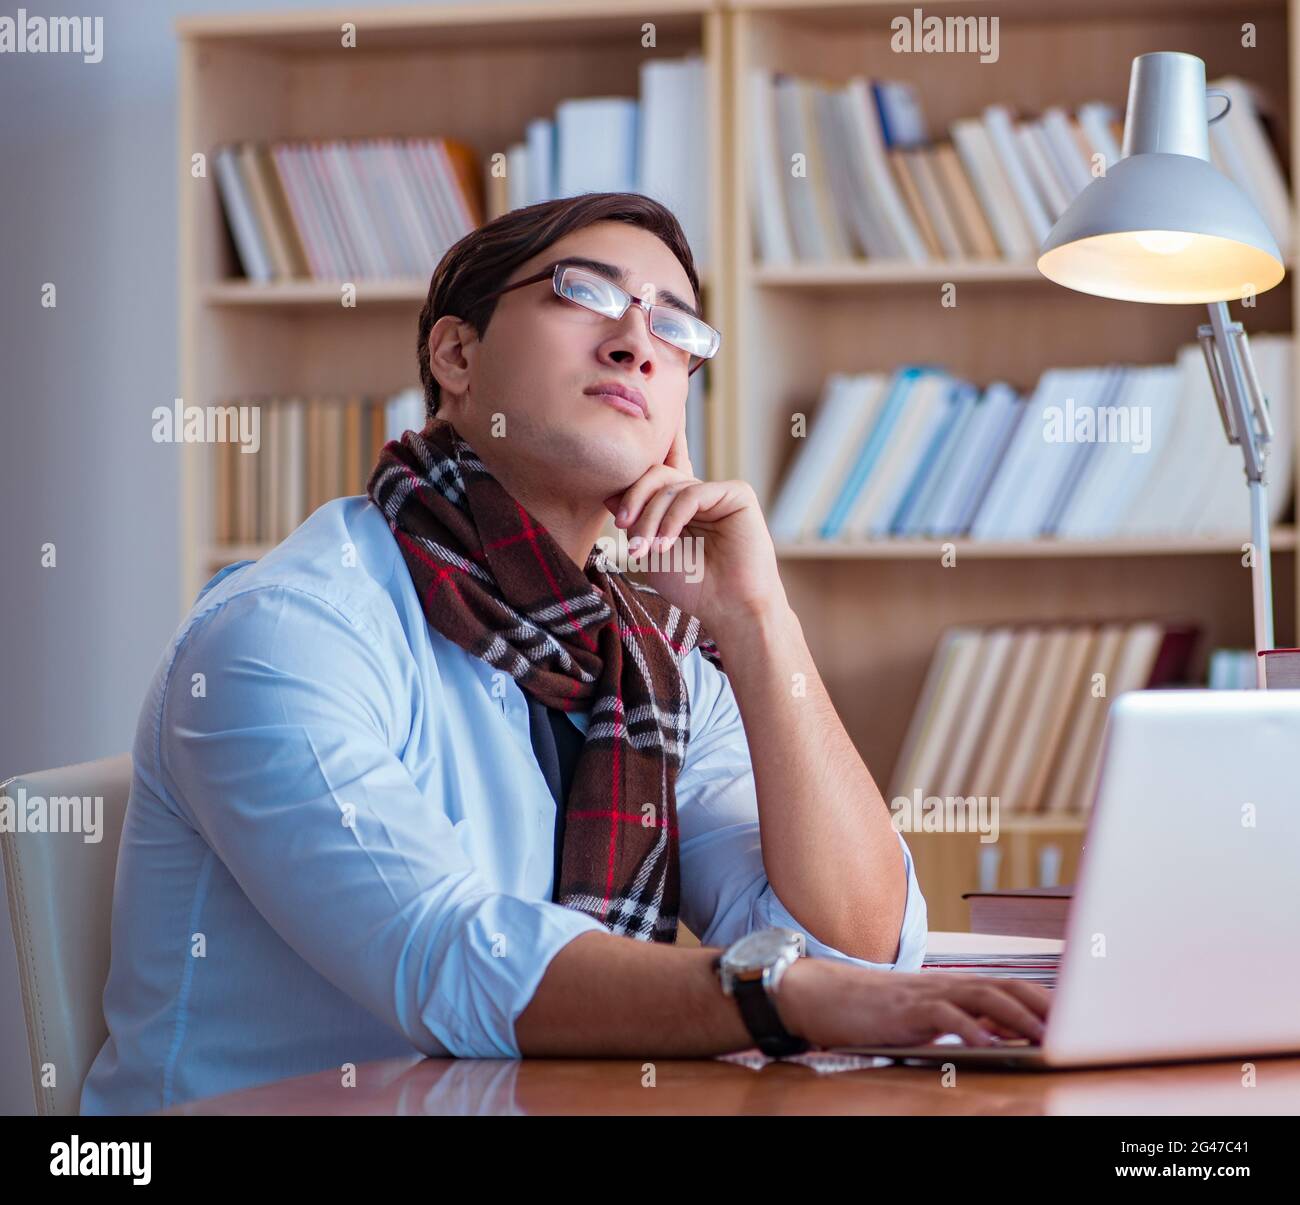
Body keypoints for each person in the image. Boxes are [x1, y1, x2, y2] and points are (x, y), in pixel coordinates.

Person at [81, 192, 1048, 1114]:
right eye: (581, 293)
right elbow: (444, 956)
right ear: (456, 355)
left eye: (675, 328)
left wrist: (759, 624)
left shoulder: (650, 665)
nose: (635, 341)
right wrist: (779, 995)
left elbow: (863, 949)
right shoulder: (288, 630)